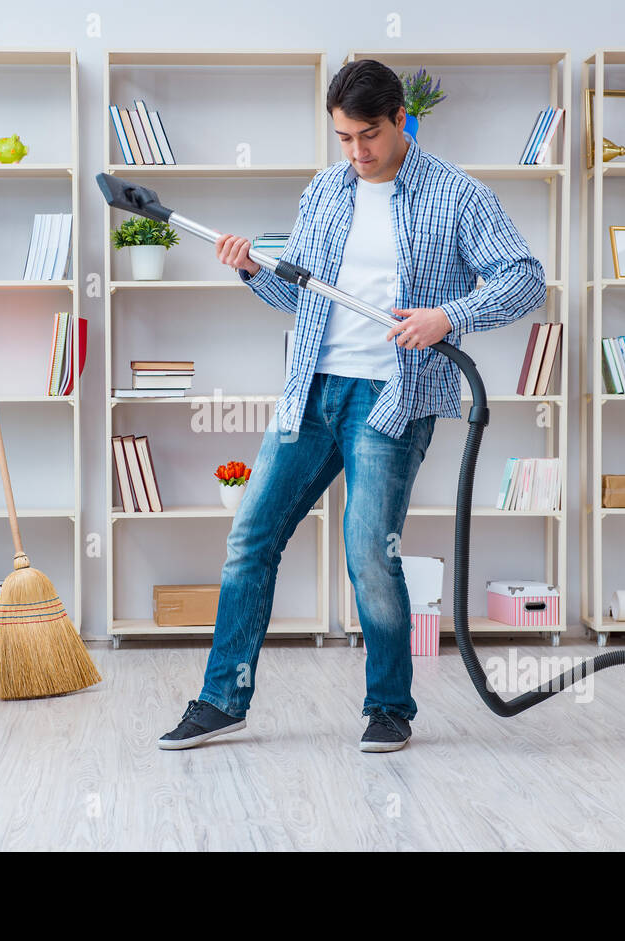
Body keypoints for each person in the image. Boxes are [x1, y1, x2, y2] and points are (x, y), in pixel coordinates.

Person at [159, 59, 546, 753]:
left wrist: (448, 317)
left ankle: (389, 707)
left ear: (402, 120)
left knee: (370, 553)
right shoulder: (326, 192)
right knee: (250, 539)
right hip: (311, 388)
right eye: (343, 137)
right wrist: (251, 269)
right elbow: (302, 295)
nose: (356, 151)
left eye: (368, 134)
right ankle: (222, 699)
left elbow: (524, 279)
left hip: (392, 398)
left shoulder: (456, 195)